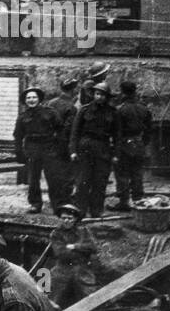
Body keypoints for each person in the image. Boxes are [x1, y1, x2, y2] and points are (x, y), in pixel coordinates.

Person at [70, 80, 120, 218]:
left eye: (103, 95)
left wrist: (116, 154)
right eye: (97, 94)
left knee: (100, 182)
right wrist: (73, 151)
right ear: (93, 95)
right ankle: (80, 210)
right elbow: (75, 132)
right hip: (84, 149)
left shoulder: (113, 113)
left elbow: (117, 135)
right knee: (82, 181)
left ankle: (96, 210)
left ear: (107, 97)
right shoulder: (84, 110)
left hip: (103, 149)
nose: (100, 97)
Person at [13, 86, 66, 214]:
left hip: (49, 147)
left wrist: (59, 147)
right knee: (33, 179)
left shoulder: (50, 112)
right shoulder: (22, 117)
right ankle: (35, 204)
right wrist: (19, 153)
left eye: (34, 97)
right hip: (32, 148)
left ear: (39, 99)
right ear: (25, 101)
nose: (31, 100)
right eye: (28, 98)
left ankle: (57, 205)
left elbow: (61, 129)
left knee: (53, 178)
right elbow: (18, 135)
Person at [46, 204, 99, 308]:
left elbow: (92, 247)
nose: (66, 221)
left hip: (82, 268)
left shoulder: (83, 231)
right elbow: (61, 253)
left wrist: (74, 246)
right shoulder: (56, 233)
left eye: (69, 218)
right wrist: (82, 251)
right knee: (53, 297)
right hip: (62, 268)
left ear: (75, 219)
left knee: (90, 297)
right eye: (63, 218)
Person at [111, 80, 152, 212]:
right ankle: (138, 200)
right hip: (139, 143)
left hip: (123, 145)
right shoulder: (144, 108)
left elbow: (117, 132)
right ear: (135, 91)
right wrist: (143, 142)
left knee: (122, 173)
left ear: (122, 92)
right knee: (137, 173)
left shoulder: (119, 109)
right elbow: (149, 129)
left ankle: (124, 202)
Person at [45, 77, 79, 207]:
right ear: (72, 90)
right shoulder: (71, 107)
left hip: (50, 144)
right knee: (67, 174)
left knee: (53, 173)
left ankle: (54, 202)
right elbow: (69, 128)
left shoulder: (51, 103)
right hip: (64, 145)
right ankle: (64, 201)